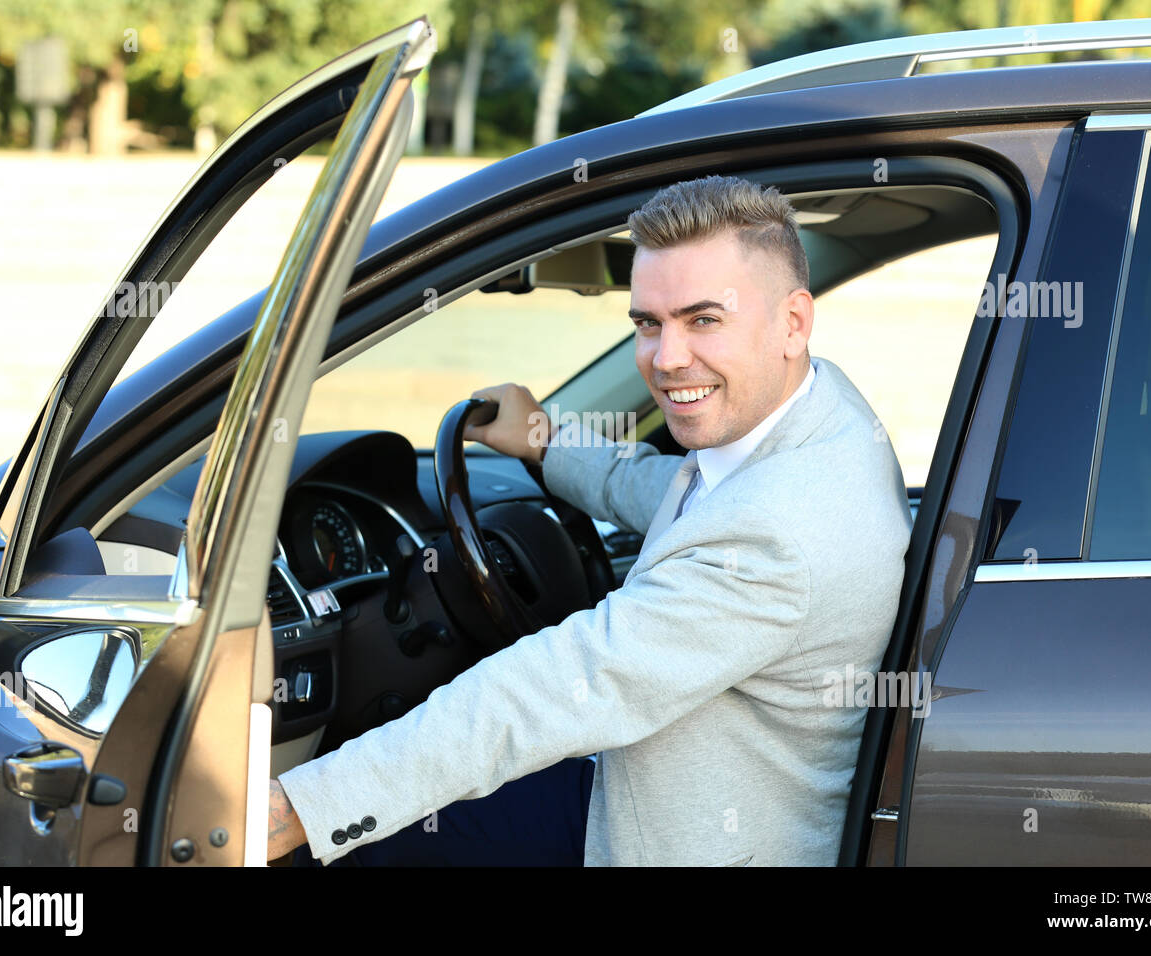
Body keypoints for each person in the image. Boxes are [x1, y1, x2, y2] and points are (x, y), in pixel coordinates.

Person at [267, 174, 912, 866]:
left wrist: (306, 805)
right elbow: (682, 487)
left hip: (670, 840)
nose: (666, 361)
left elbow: (559, 683)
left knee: (354, 849)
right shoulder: (822, 415)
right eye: (647, 323)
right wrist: (546, 436)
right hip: (647, 780)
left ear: (793, 322)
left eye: (703, 321)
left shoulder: (777, 536)